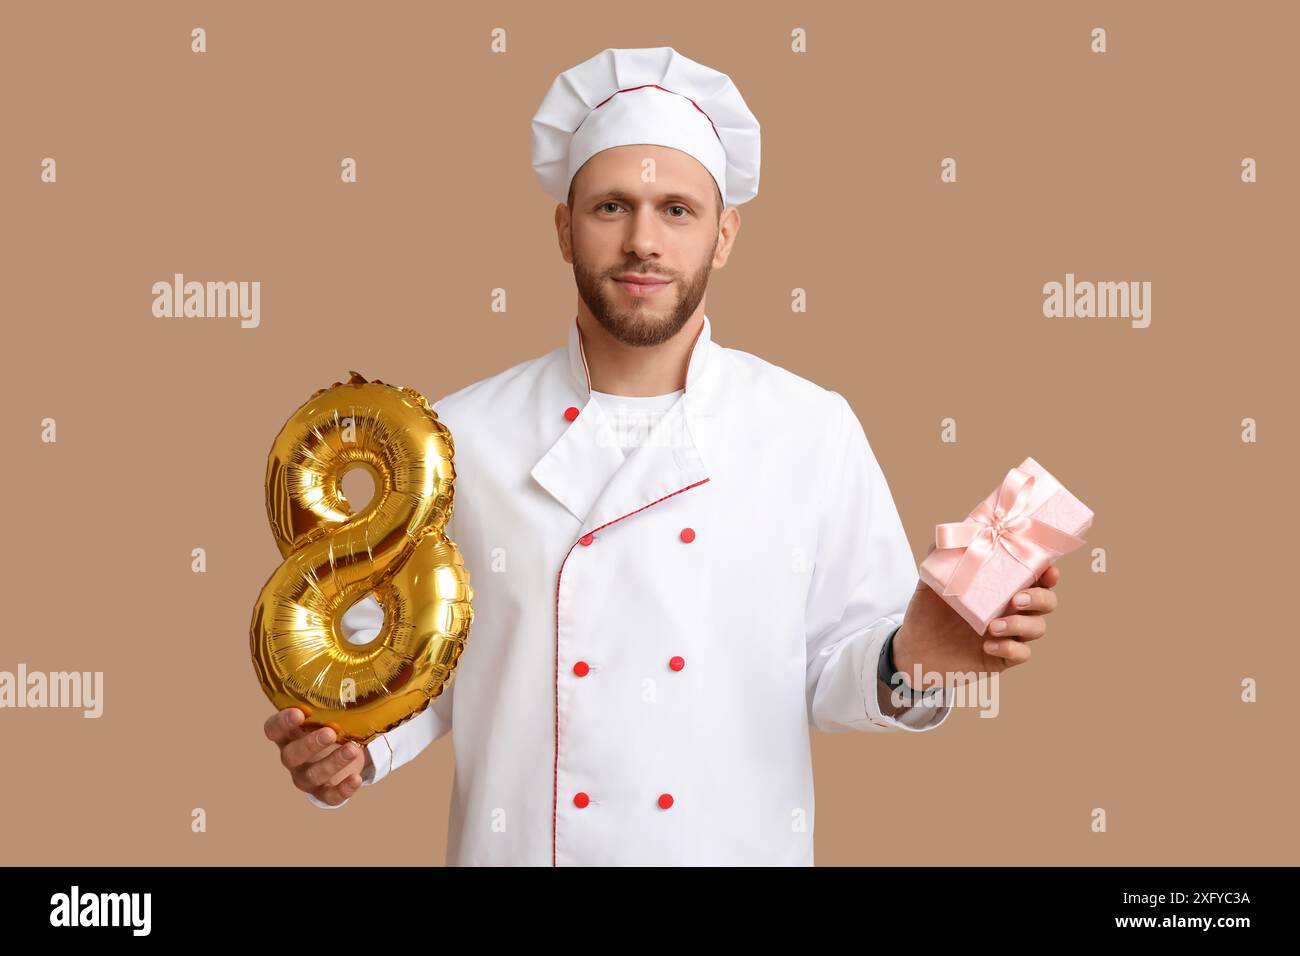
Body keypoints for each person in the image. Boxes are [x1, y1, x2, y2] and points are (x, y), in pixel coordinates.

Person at [263, 46, 1062, 866]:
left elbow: (833, 673)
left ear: (724, 236)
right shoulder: (457, 438)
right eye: (612, 206)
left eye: (677, 210)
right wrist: (353, 746)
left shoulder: (808, 429)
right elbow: (404, 662)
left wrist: (911, 658)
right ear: (563, 229)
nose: (643, 241)